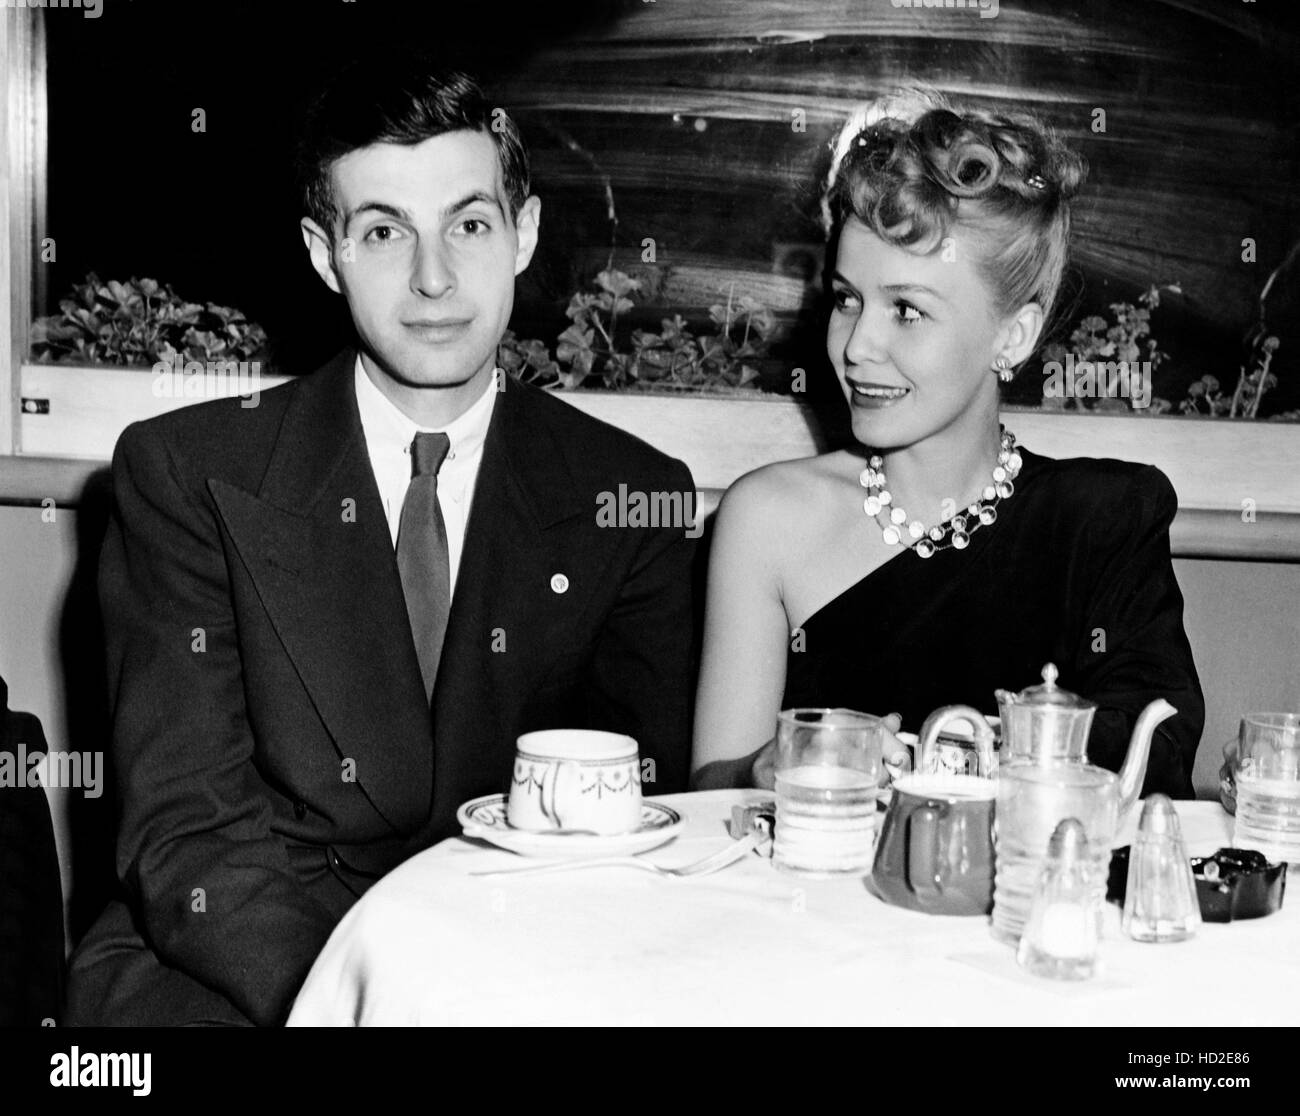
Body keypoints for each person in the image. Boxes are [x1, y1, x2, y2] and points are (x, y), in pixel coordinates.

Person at [65, 60, 697, 1027]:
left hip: (515, 958)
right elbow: (188, 833)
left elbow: (634, 818)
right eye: (384, 231)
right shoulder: (187, 472)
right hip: (239, 959)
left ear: (523, 234)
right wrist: (371, 1003)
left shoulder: (634, 495)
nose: (433, 278)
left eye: (469, 225)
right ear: (326, 255)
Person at [691, 90, 1203, 796]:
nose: (858, 346)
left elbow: (1157, 741)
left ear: (1012, 335)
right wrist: (763, 771)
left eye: (907, 310)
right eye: (846, 299)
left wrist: (963, 754)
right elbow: (713, 798)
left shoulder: (1102, 519)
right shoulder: (767, 517)